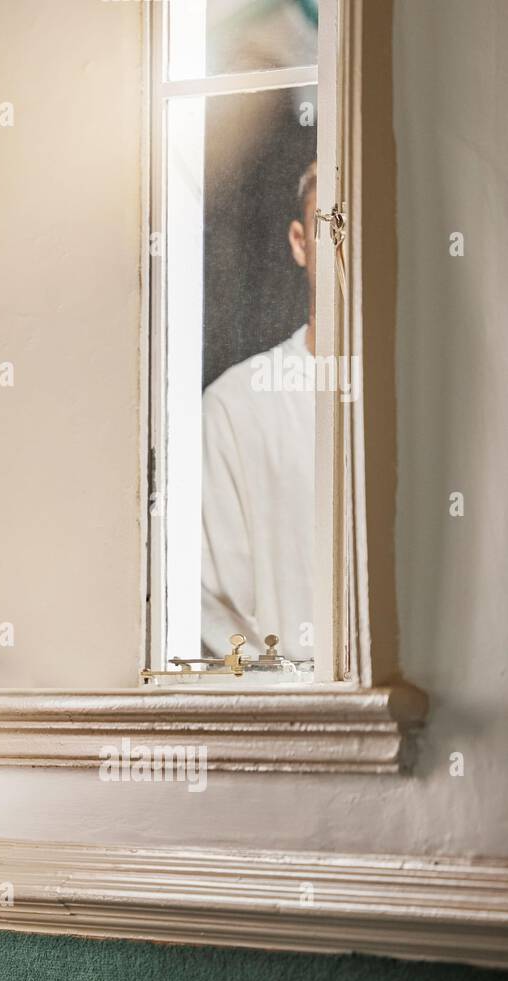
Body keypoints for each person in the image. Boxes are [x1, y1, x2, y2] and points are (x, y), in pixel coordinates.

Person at [200, 161, 319, 662]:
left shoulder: (440, 407)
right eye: (331, 227)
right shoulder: (235, 408)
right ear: (299, 242)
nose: (348, 249)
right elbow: (213, 605)